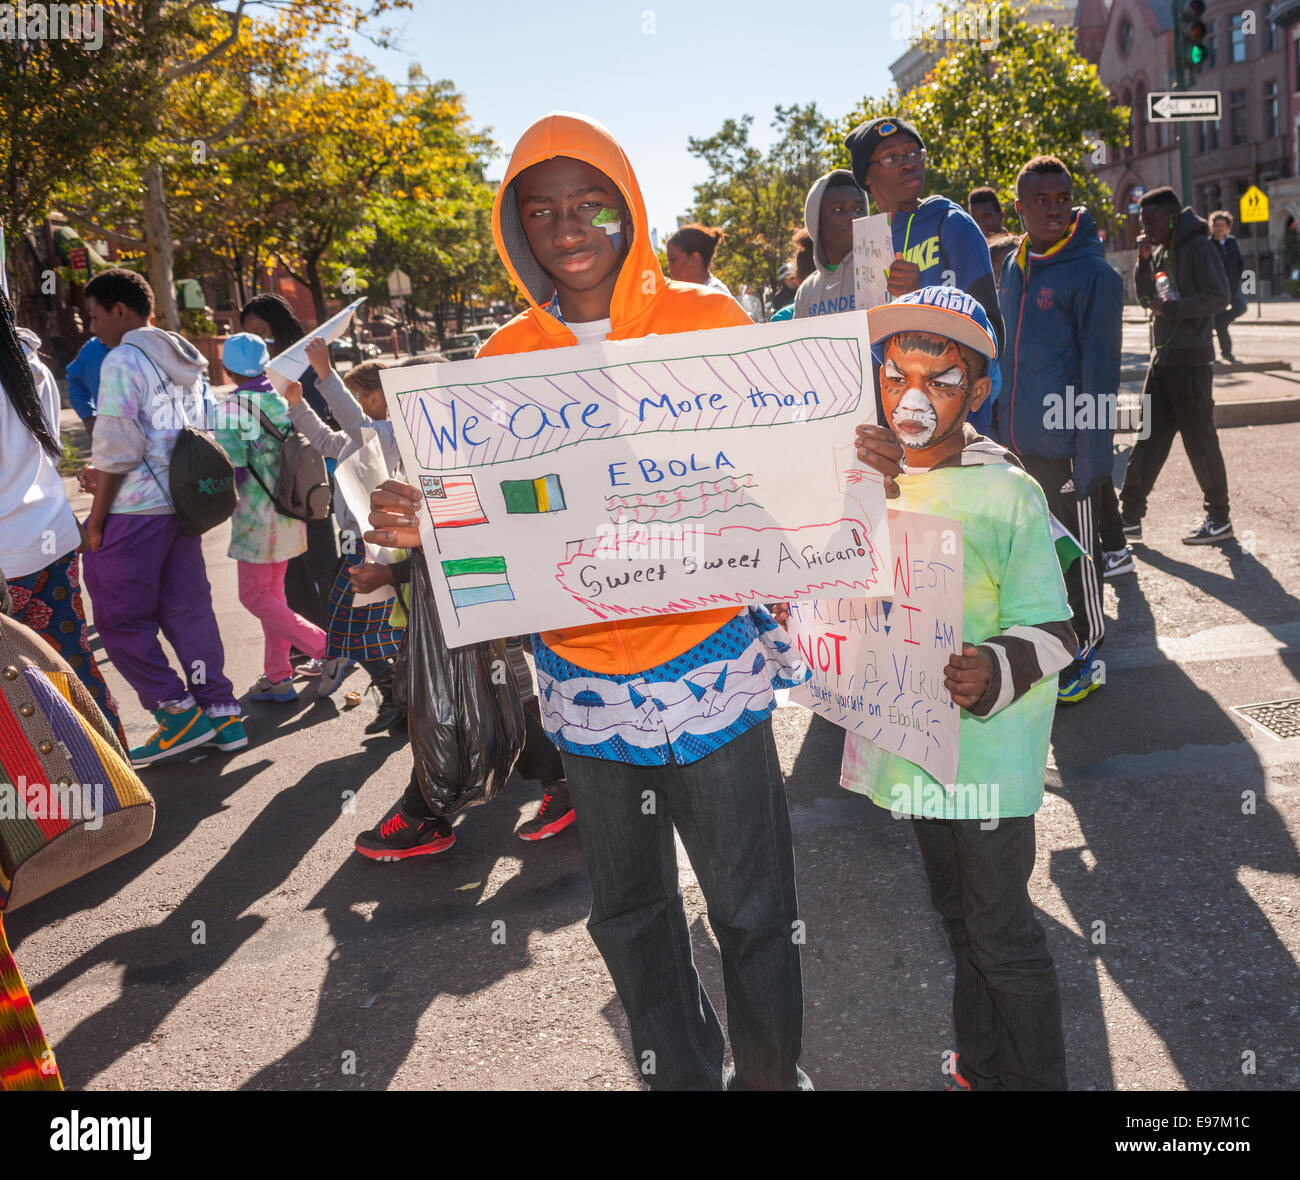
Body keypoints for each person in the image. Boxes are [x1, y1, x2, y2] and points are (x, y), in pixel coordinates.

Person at [365, 111, 812, 1091]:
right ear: (517, 229)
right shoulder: (494, 366)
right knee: (631, 915)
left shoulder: (711, 321)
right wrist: (422, 520)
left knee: (750, 909)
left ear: (627, 208)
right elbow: (487, 520)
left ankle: (773, 1079)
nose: (567, 226)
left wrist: (832, 482)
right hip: (584, 686)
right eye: (541, 210)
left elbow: (782, 470)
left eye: (587, 203)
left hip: (711, 669)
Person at [848, 285, 1076, 1090]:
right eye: (896, 375)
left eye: (941, 381)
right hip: (913, 754)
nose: (913, 399)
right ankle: (983, 1063)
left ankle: (1036, 1077)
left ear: (978, 393)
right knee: (956, 919)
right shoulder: (859, 476)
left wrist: (995, 667)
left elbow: (1063, 627)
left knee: (1002, 934)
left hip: (987, 764)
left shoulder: (1008, 491)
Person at [79, 267, 244, 766]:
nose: (92, 328)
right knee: (188, 610)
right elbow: (206, 429)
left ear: (120, 310)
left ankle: (177, 714)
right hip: (183, 506)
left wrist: (96, 518)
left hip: (134, 513)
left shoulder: (123, 359)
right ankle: (220, 711)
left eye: (94, 315)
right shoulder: (185, 357)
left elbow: (117, 447)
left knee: (119, 619)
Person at [996, 156, 1122, 704]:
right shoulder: (1015, 266)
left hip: (1070, 450)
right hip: (1021, 447)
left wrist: (1092, 463)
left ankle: (1087, 651)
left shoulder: (1094, 275)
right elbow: (1006, 358)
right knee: (1036, 555)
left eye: (1062, 197)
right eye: (1041, 200)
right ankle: (1049, 645)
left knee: (1079, 557)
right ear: (1018, 207)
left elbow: (1101, 375)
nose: (1054, 207)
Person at [0, 290, 125, 745]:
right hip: (49, 537)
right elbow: (47, 447)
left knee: (16, 700)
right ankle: (118, 790)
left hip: (8, 557)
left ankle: (52, 809)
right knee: (70, 670)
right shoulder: (30, 366)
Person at [844, 116, 1005, 433]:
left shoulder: (953, 224)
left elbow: (991, 330)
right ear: (867, 176)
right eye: (892, 157)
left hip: (955, 424)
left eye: (914, 153)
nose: (908, 164)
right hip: (897, 421)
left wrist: (920, 297)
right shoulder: (869, 243)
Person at [213, 332, 346, 703]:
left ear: (226, 368)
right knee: (273, 597)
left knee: (255, 596)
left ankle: (328, 649)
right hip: (292, 512)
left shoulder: (231, 409)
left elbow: (233, 466)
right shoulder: (279, 396)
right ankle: (278, 676)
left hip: (258, 519)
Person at [283, 337, 407, 728]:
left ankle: (395, 695)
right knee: (360, 630)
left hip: (375, 549)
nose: (349, 405)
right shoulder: (359, 439)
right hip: (357, 545)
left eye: (356, 396)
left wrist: (325, 373)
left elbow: (353, 421)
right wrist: (296, 405)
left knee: (352, 628)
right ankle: (398, 696)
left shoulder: (383, 435)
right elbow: (322, 439)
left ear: (373, 399)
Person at [1119, 187, 1233, 546]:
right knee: (1148, 439)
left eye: (1150, 221)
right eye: (1141, 222)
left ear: (1171, 217)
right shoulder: (1161, 250)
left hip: (1192, 360)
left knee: (1200, 440)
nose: (1145, 228)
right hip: (1164, 359)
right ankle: (1129, 518)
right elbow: (1145, 297)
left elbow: (1220, 296)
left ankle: (1219, 517)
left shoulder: (1198, 246)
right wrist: (1142, 258)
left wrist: (1175, 309)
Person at [239, 294, 339, 630]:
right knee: (290, 569)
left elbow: (315, 417)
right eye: (252, 337)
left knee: (322, 563)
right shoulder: (254, 375)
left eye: (263, 333)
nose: (260, 343)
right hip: (272, 483)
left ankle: (338, 640)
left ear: (280, 328)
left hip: (308, 478)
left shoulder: (305, 363)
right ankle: (308, 640)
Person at [791, 168, 868, 320]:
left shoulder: (882, 274)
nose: (853, 215)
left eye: (859, 209)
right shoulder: (807, 291)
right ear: (817, 222)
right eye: (839, 210)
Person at [1210, 209, 1247, 364]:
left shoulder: (1231, 241)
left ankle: (1219, 320)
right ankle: (1226, 354)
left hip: (1233, 287)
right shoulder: (1208, 244)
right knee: (1221, 327)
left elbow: (1239, 263)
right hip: (1217, 291)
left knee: (1241, 307)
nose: (1219, 228)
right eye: (1217, 225)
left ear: (1227, 227)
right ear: (1213, 226)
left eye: (1222, 225)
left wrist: (1237, 280)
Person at [664, 224, 733, 296]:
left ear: (694, 258)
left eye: (673, 260)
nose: (669, 267)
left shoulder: (716, 294)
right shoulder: (688, 294)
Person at [65, 333, 109, 435]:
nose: (92, 328)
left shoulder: (150, 346)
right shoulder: (92, 349)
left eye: (96, 319)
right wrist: (88, 416)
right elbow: (75, 380)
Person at [769, 228, 815, 323]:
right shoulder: (778, 300)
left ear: (798, 279)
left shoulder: (780, 318)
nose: (793, 281)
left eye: (793, 277)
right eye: (790, 278)